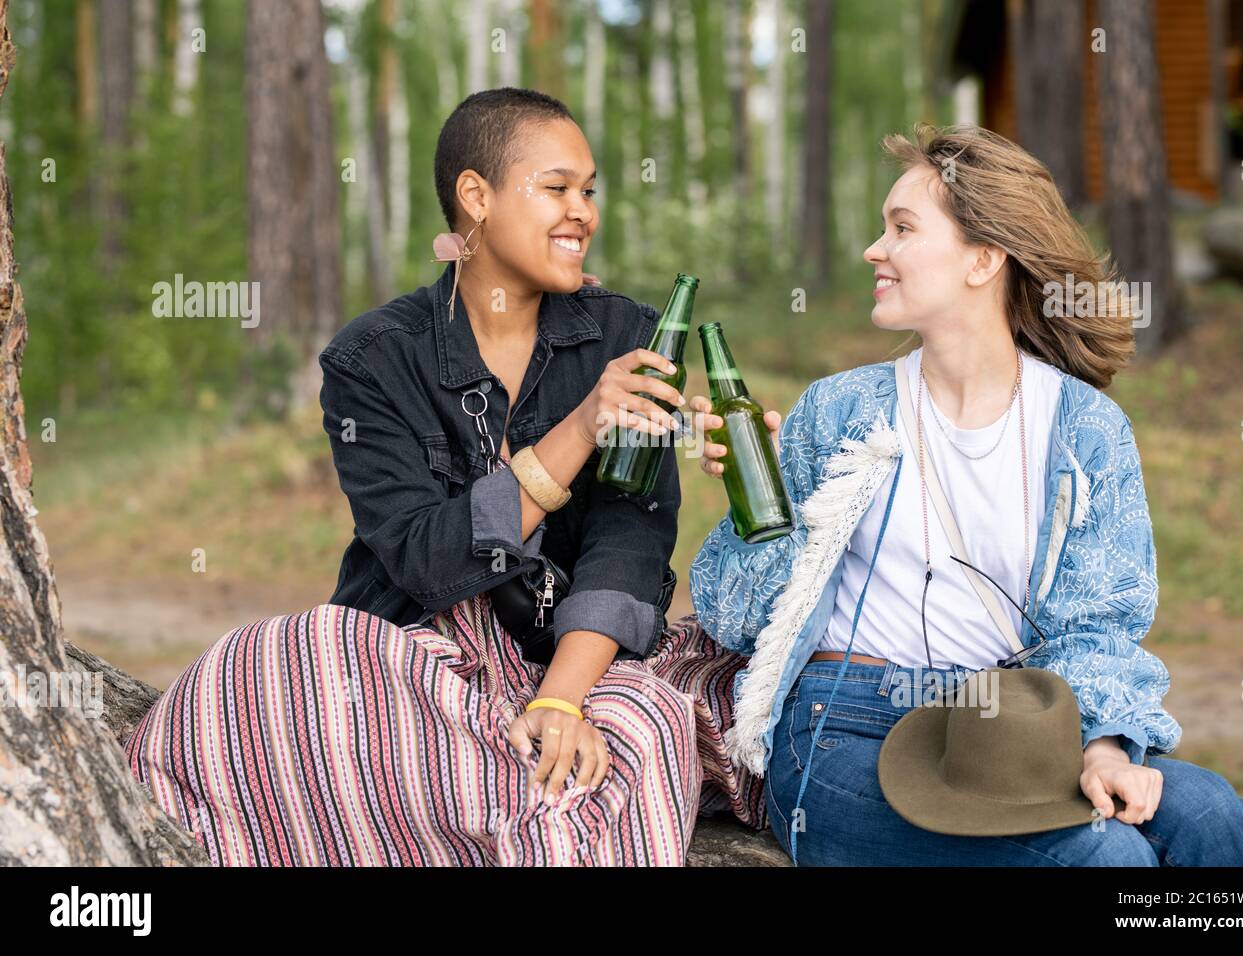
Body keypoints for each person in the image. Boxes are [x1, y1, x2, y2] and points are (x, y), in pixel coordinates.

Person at [123, 88, 764, 866]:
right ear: (476, 197)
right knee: (270, 665)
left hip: (578, 657)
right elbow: (426, 562)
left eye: (589, 191)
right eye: (557, 188)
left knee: (646, 727)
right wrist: (581, 427)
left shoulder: (626, 335)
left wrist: (561, 697)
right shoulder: (373, 360)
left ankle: (489, 801)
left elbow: (630, 539)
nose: (584, 212)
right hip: (419, 660)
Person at [687, 124, 1243, 867]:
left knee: (1209, 814)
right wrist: (754, 508)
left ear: (984, 259)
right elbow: (735, 618)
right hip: (846, 726)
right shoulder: (840, 413)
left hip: (1010, 731)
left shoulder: (1082, 430)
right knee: (1105, 859)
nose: (874, 250)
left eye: (901, 228)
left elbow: (1102, 626)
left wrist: (1106, 747)